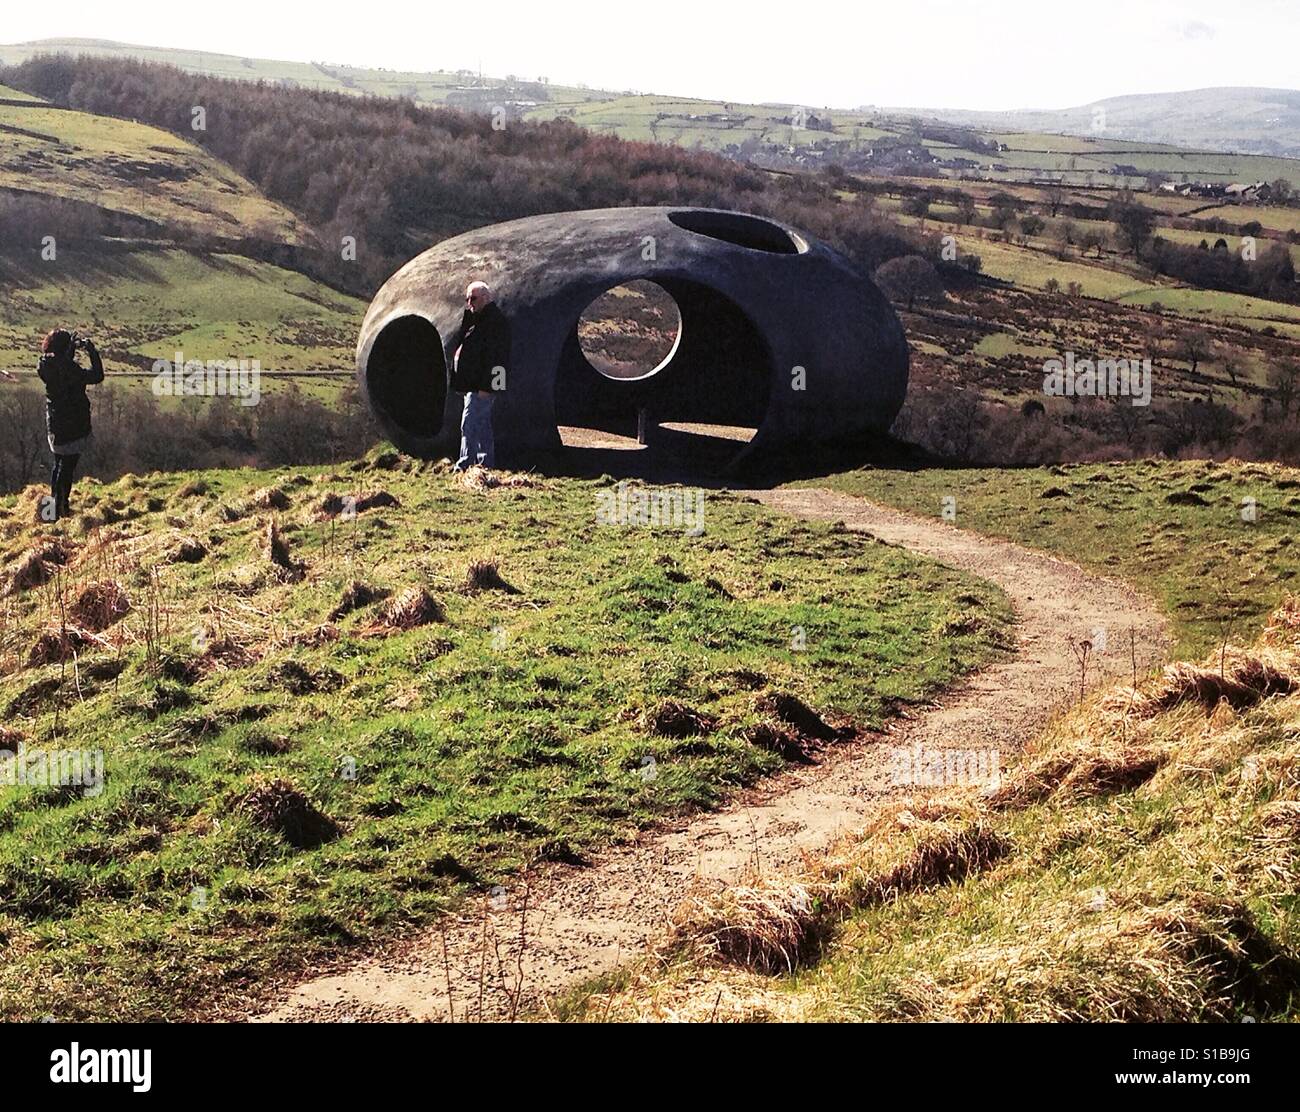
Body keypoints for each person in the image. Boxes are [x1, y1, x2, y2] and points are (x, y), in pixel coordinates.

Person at [37, 329, 103, 521]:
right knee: (66, 469)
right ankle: (61, 509)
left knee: (58, 466)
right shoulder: (68, 369)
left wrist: (68, 352)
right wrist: (91, 351)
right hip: (71, 426)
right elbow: (97, 376)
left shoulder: (46, 365)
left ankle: (51, 511)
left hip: (55, 424)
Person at [449, 280, 510, 471]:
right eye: (467, 299)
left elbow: (499, 358)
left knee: (470, 423)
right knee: (481, 424)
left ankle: (466, 464)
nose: (470, 303)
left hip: (482, 386)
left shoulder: (495, 322)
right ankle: (484, 464)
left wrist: (490, 387)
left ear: (485, 298)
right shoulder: (475, 320)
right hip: (473, 384)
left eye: (473, 298)